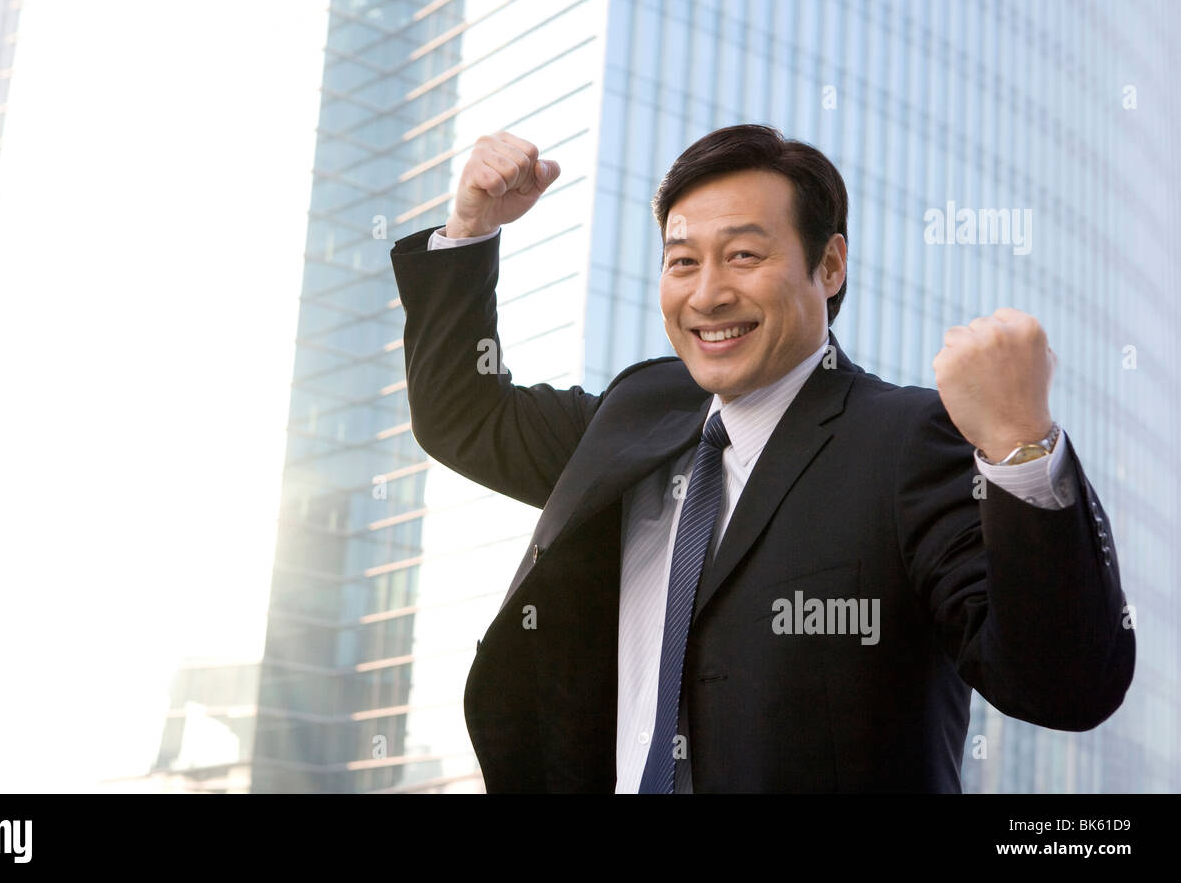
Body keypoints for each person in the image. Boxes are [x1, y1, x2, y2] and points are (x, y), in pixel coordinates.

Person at [388, 125, 1134, 792]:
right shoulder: (639, 412)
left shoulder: (910, 442)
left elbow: (1063, 687)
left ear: (830, 265)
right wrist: (472, 227)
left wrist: (1020, 448)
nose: (708, 294)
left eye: (744, 255)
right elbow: (466, 416)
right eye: (683, 262)